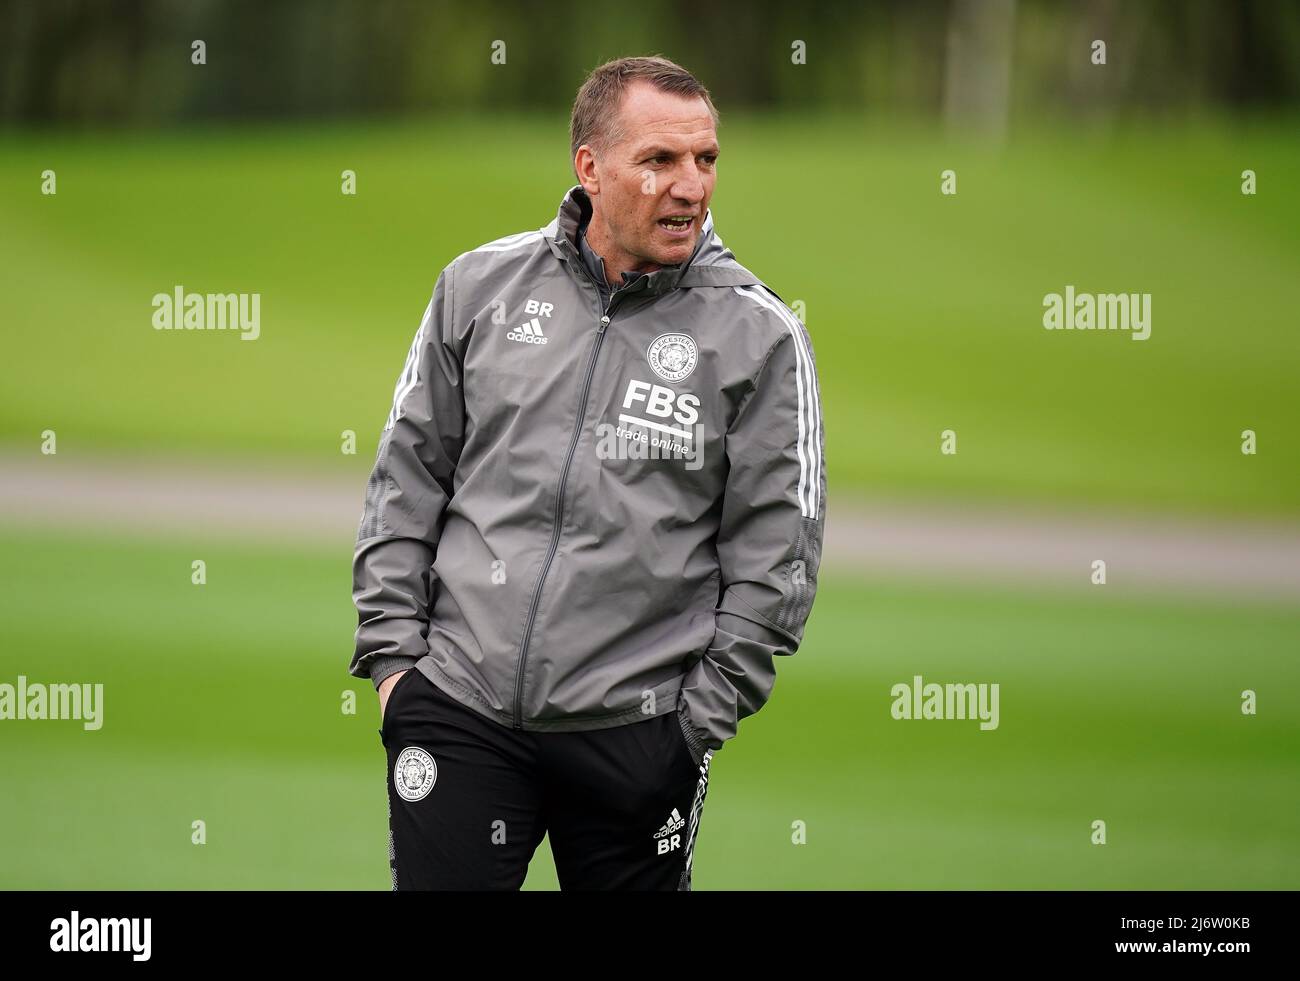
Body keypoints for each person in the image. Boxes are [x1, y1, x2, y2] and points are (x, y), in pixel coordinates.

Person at [349, 54, 826, 890]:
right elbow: (407, 476)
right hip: (461, 709)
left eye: (706, 159)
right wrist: (396, 665)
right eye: (660, 161)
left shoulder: (761, 334)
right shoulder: (479, 286)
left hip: (637, 735)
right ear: (590, 168)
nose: (691, 186)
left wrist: (694, 724)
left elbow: (778, 553)